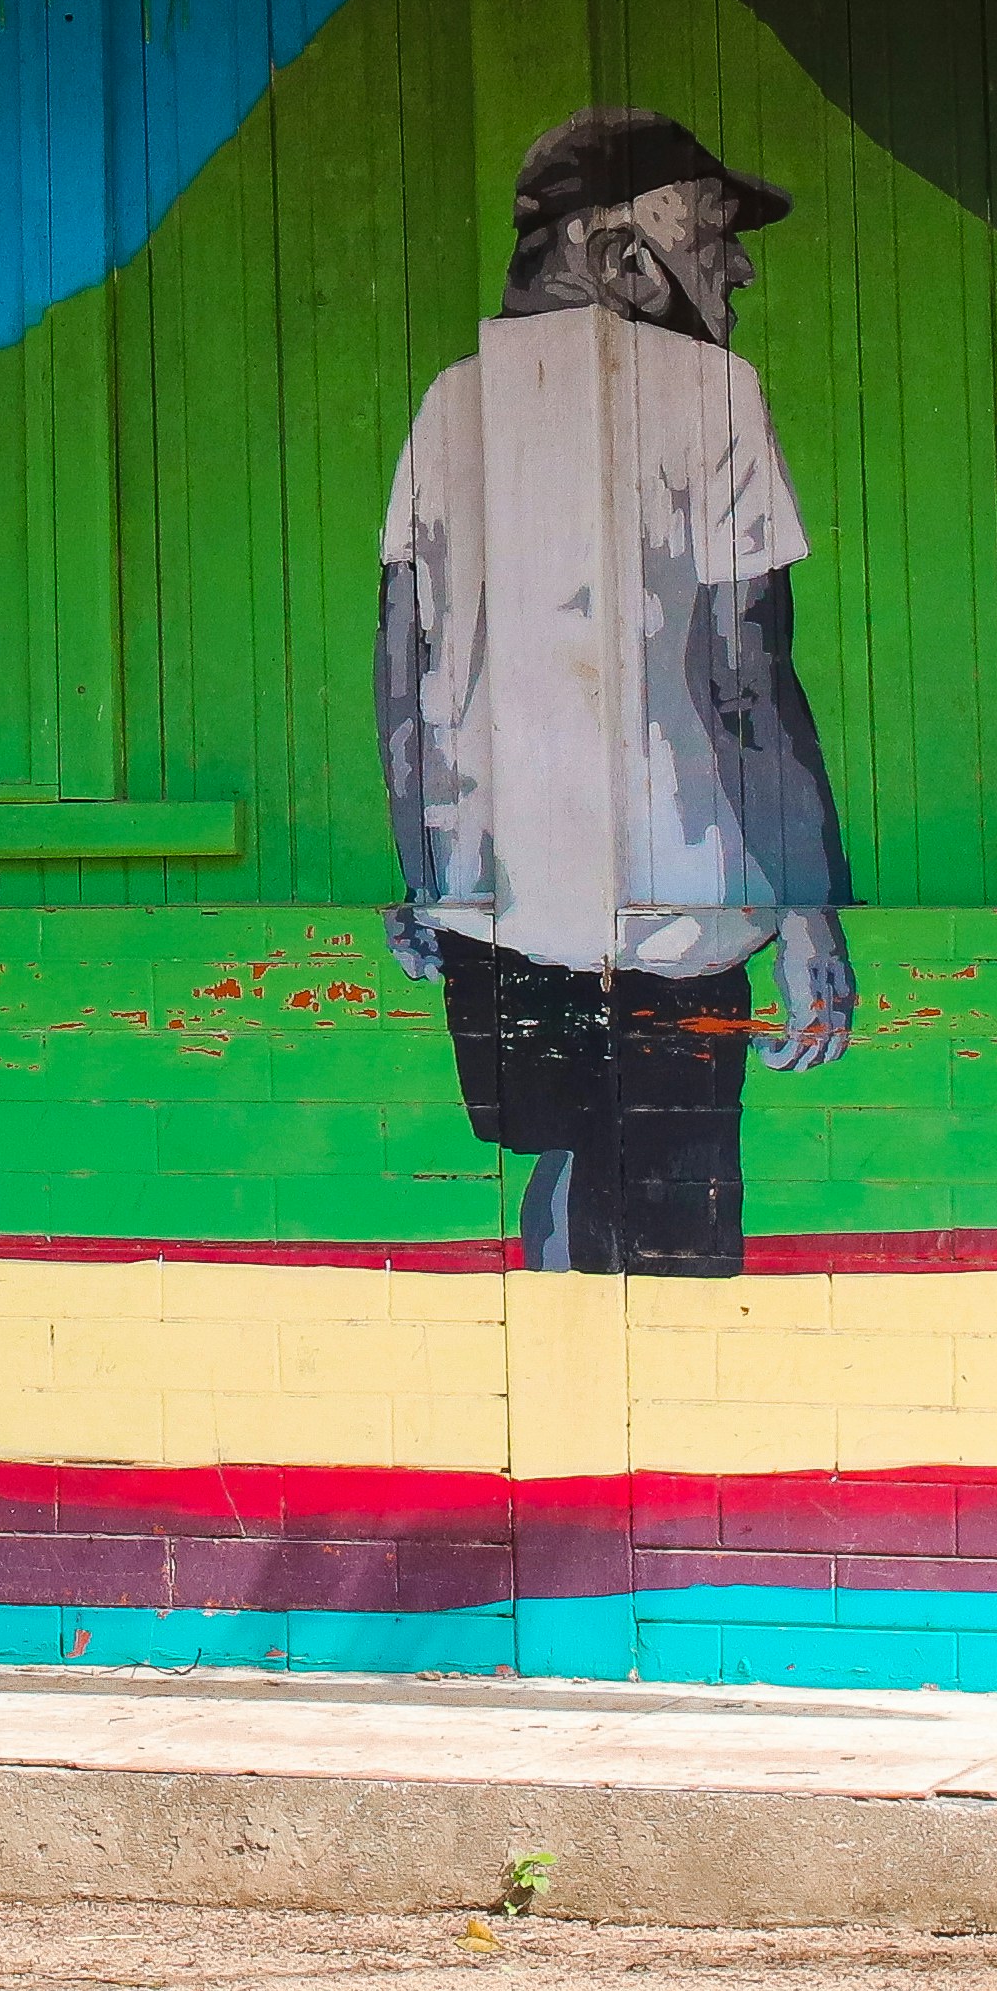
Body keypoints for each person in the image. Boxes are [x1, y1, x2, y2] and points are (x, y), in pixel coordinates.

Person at [379, 106, 854, 1276]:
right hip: (676, 907)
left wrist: (424, 875)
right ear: (619, 259)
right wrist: (807, 911)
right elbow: (743, 671)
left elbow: (403, 665)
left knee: (562, 1167)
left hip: (494, 911)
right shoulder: (712, 397)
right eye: (710, 231)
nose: (737, 263)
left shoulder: (450, 402)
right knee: (672, 1224)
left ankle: (561, 1432)